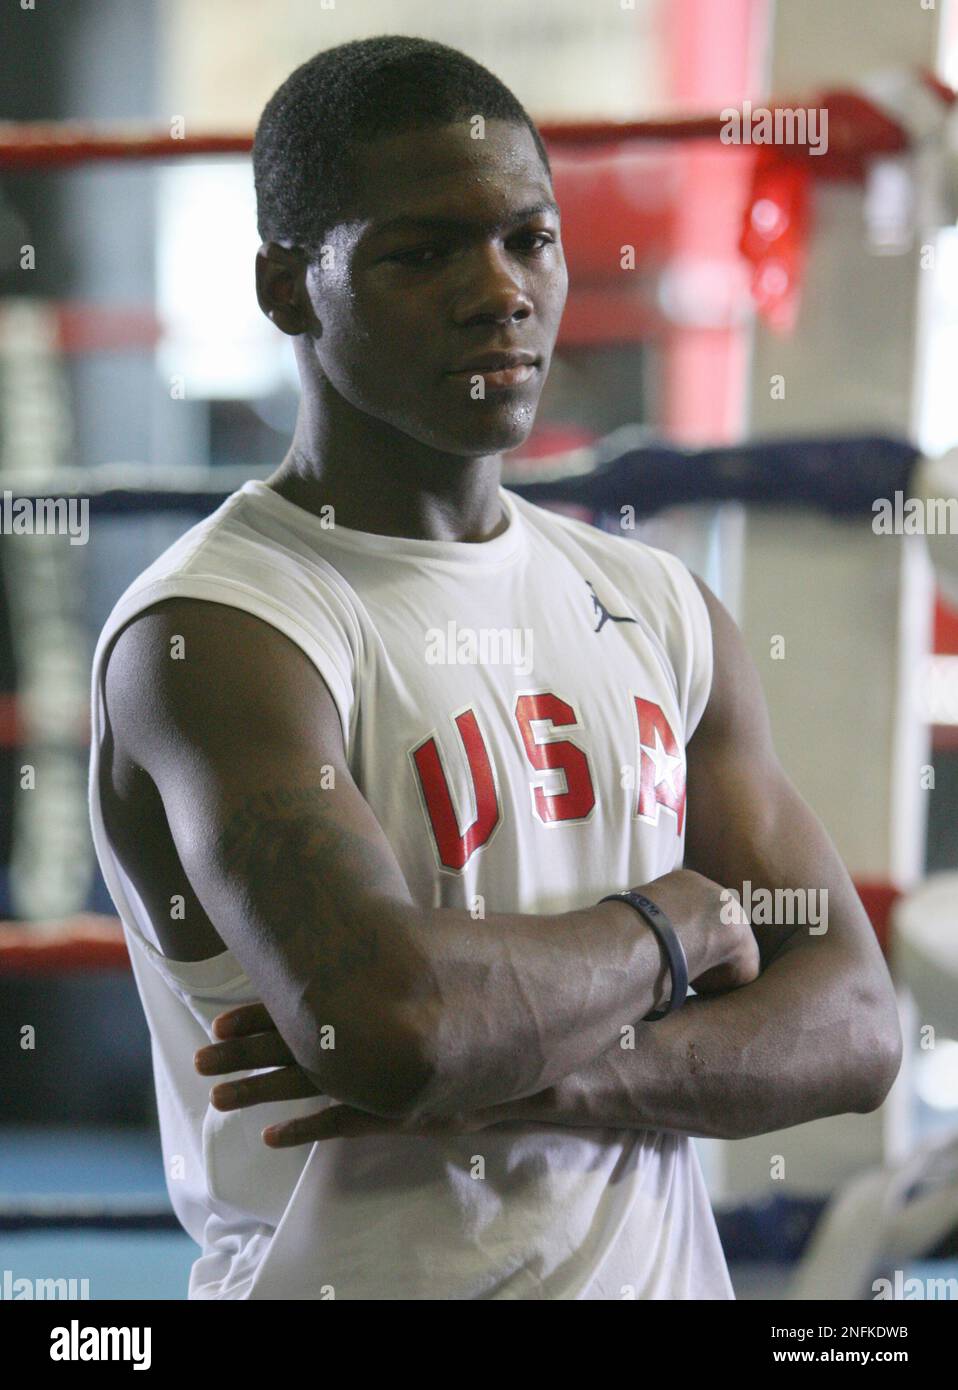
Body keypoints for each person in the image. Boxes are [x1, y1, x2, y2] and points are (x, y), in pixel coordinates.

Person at [88, 35, 901, 1300]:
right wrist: (678, 921)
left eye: (529, 238)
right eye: (421, 253)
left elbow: (852, 1025)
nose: (500, 291)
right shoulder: (217, 632)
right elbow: (403, 1029)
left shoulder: (655, 604)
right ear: (288, 287)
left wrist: (543, 1067)